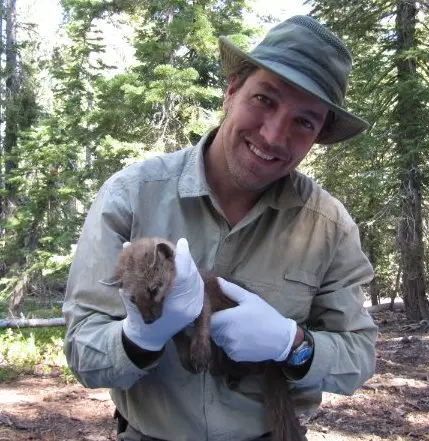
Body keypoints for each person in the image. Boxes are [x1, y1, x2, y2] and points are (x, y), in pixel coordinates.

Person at [63, 15, 378, 441]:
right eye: (265, 99)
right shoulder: (130, 197)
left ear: (318, 133)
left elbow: (358, 356)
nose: (273, 135)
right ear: (231, 90)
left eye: (304, 121)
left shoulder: (329, 227)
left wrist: (293, 345)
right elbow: (83, 349)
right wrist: (140, 338)